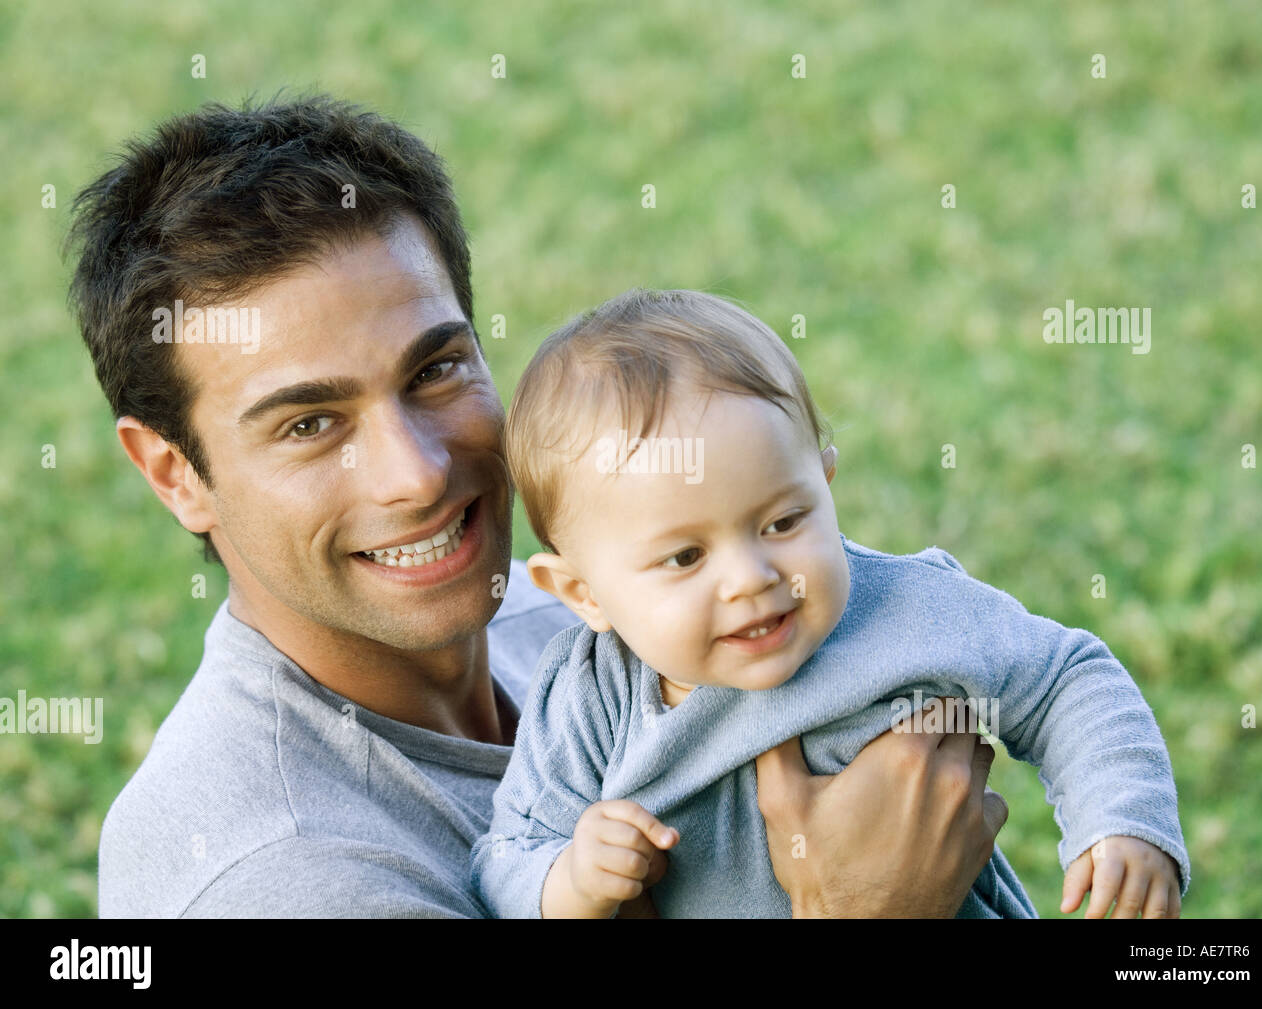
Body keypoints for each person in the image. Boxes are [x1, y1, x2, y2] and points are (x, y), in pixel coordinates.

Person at [70, 95, 1010, 918]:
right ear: (172, 471)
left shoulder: (573, 618)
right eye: (311, 423)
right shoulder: (281, 877)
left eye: (435, 370)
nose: (418, 473)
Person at [470, 288, 1190, 919]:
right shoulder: (589, 699)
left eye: (783, 522)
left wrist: (1120, 817)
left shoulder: (908, 608)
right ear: (583, 593)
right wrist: (569, 879)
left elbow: (1066, 678)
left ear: (826, 479)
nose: (750, 578)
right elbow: (508, 855)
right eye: (686, 557)